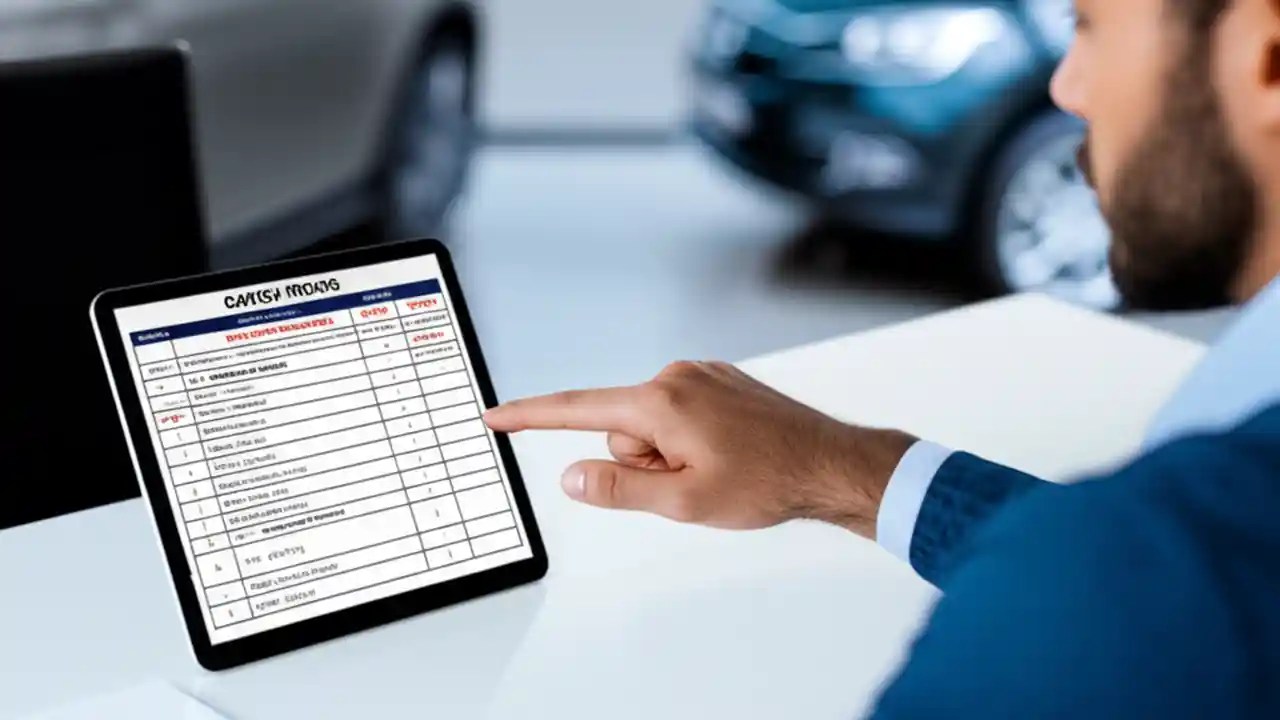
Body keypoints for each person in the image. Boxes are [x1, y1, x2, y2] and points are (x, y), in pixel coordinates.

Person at [485, 0, 1280, 716]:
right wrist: (835, 464)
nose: (1066, 88)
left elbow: (1131, 591)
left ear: (1269, 59)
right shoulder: (1179, 553)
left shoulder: (1153, 588)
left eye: (1090, 25)